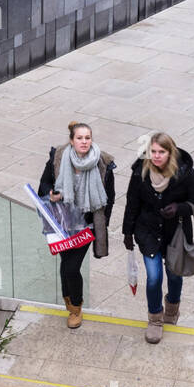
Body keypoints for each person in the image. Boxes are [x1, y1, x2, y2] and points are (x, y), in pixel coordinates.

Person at [122, 132, 194, 344]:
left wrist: (179, 208)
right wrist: (127, 232)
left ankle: (172, 308)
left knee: (175, 276)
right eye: (153, 152)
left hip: (175, 233)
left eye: (161, 152)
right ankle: (155, 319)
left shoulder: (185, 173)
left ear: (170, 152)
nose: (156, 156)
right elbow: (132, 204)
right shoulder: (140, 172)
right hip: (148, 232)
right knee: (154, 277)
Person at [37, 121, 116, 328]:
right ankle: (68, 300)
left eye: (87, 138)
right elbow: (43, 185)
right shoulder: (59, 158)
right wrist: (51, 194)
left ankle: (76, 308)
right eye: (79, 138)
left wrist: (102, 224)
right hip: (63, 222)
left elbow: (110, 197)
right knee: (65, 265)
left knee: (72, 267)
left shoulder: (103, 163)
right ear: (72, 140)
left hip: (87, 224)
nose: (84, 142)